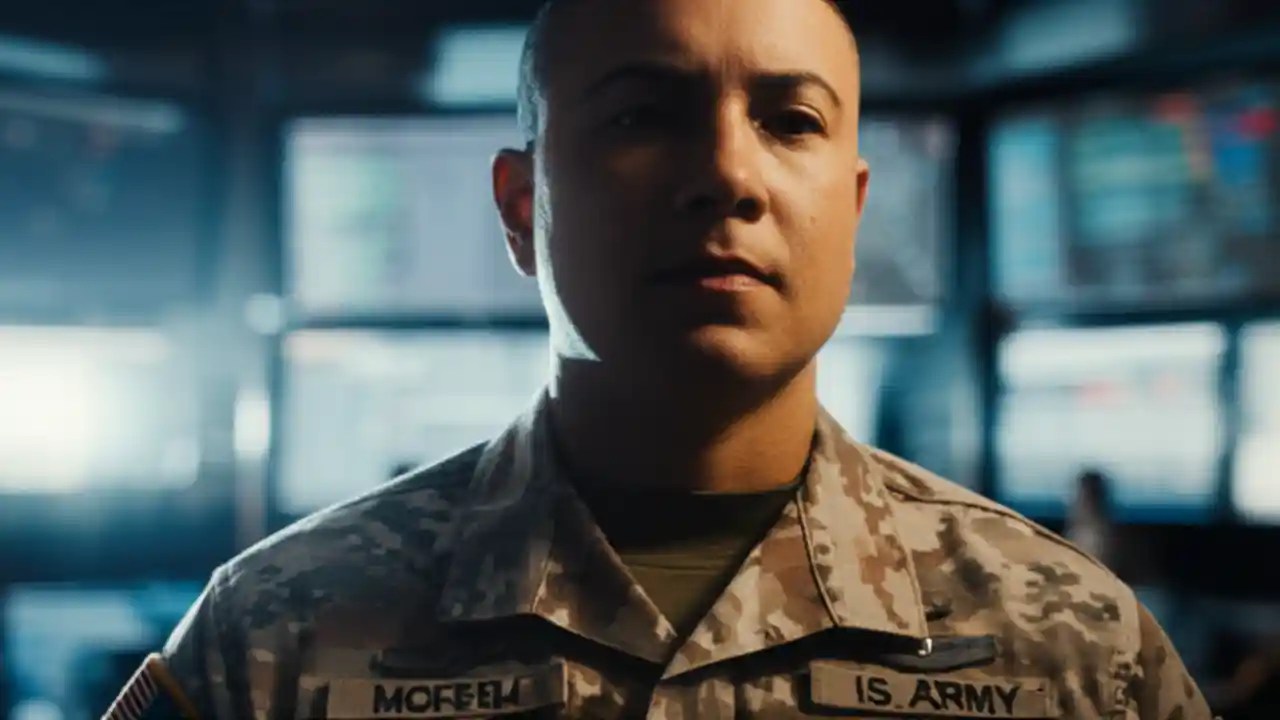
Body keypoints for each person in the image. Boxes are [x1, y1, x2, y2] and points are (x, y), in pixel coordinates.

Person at [105, 0, 1213, 717]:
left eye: (789, 119)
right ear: (520, 202)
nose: (728, 175)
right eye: (644, 115)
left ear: (853, 207)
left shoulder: (1069, 646)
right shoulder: (275, 637)